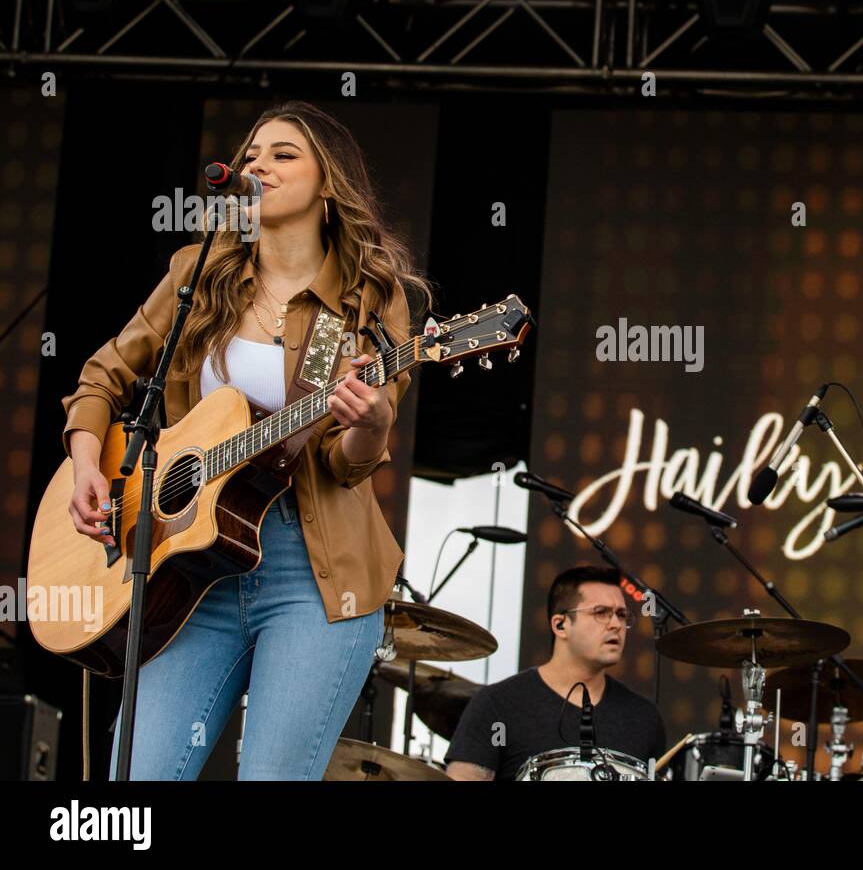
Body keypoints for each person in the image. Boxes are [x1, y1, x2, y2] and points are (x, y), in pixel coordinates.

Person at [62, 100, 432, 779]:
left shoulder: (370, 298)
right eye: (253, 153)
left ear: (329, 184)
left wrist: (370, 425)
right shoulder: (198, 273)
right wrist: (89, 460)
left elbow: (344, 467)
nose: (258, 163)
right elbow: (102, 376)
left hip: (313, 574)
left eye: (283, 154)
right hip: (186, 569)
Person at [446, 565, 666, 781]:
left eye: (621, 615)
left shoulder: (644, 718)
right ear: (560, 625)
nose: (616, 624)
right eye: (601, 613)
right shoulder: (497, 705)